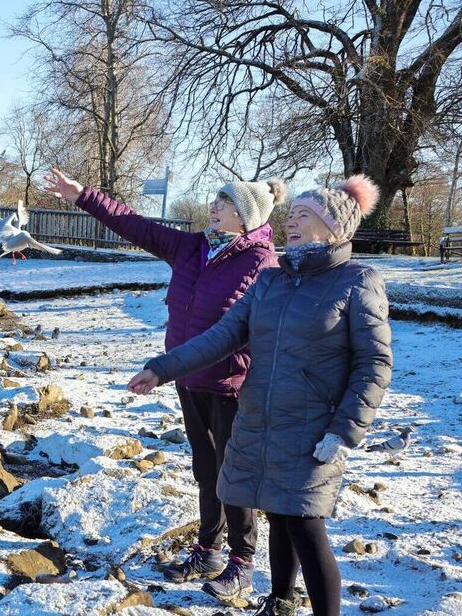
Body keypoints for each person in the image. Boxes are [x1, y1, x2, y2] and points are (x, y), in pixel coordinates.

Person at [127, 175, 393, 616]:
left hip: (313, 426)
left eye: (304, 216)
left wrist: (345, 430)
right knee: (278, 514)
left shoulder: (356, 281)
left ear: (333, 227)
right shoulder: (272, 281)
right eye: (292, 214)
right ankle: (281, 602)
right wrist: (161, 368)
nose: (291, 222)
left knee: (305, 524)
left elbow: (374, 364)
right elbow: (222, 336)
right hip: (259, 418)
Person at [45, 169, 283, 602]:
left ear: (245, 216)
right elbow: (134, 224)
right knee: (205, 469)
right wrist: (83, 196)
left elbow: (264, 328)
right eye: (215, 200)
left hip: (231, 383)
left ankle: (242, 561)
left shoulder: (262, 261)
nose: (214, 207)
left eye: (224, 203)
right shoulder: (191, 247)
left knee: (234, 474)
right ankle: (208, 551)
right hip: (186, 376)